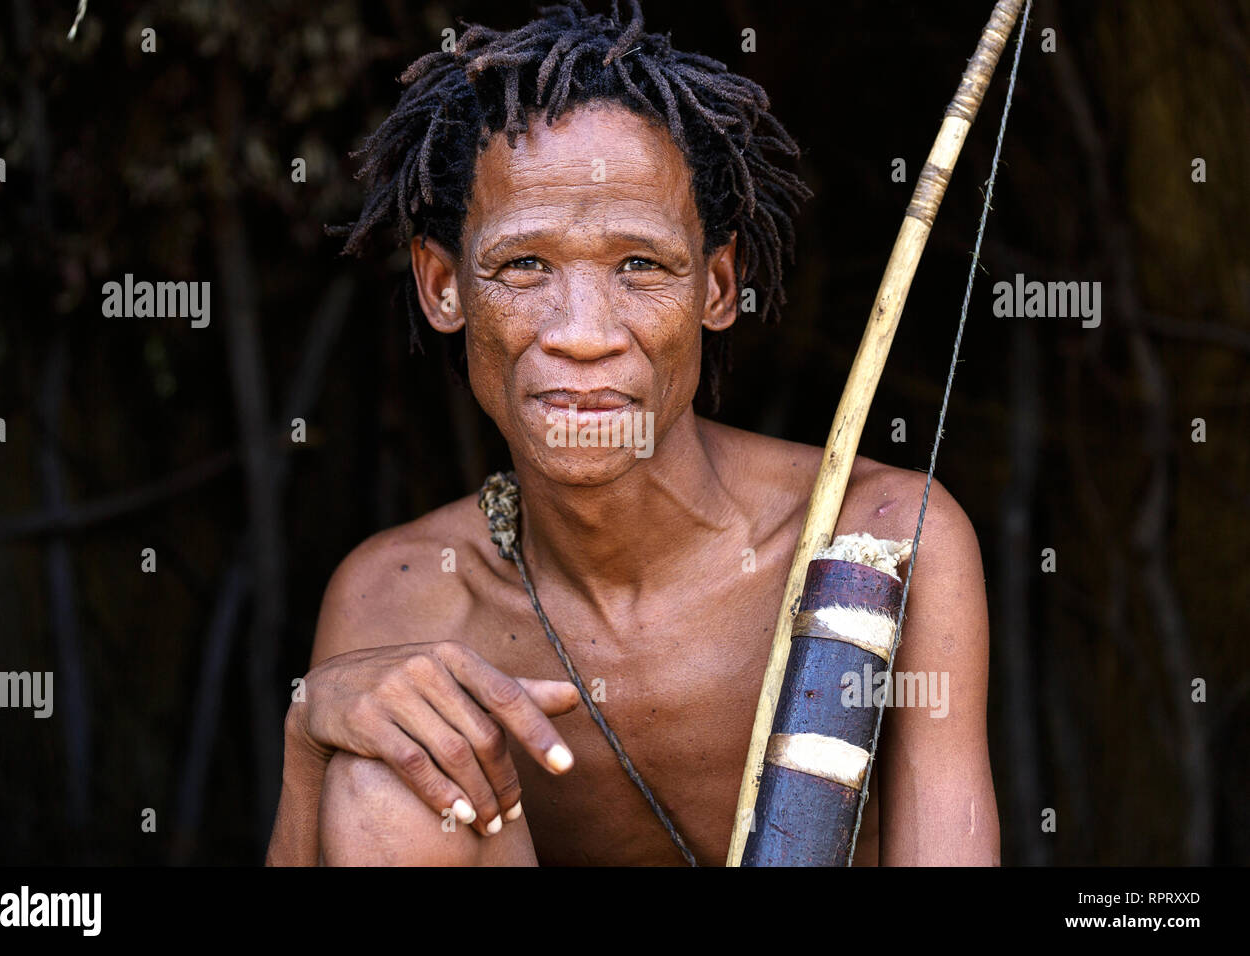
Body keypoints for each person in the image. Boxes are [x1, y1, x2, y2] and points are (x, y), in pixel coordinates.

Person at [265, 0, 998, 866]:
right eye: (524, 265)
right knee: (392, 772)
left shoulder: (881, 535)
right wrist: (309, 744)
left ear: (717, 289)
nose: (582, 332)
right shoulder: (398, 597)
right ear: (442, 286)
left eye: (641, 266)